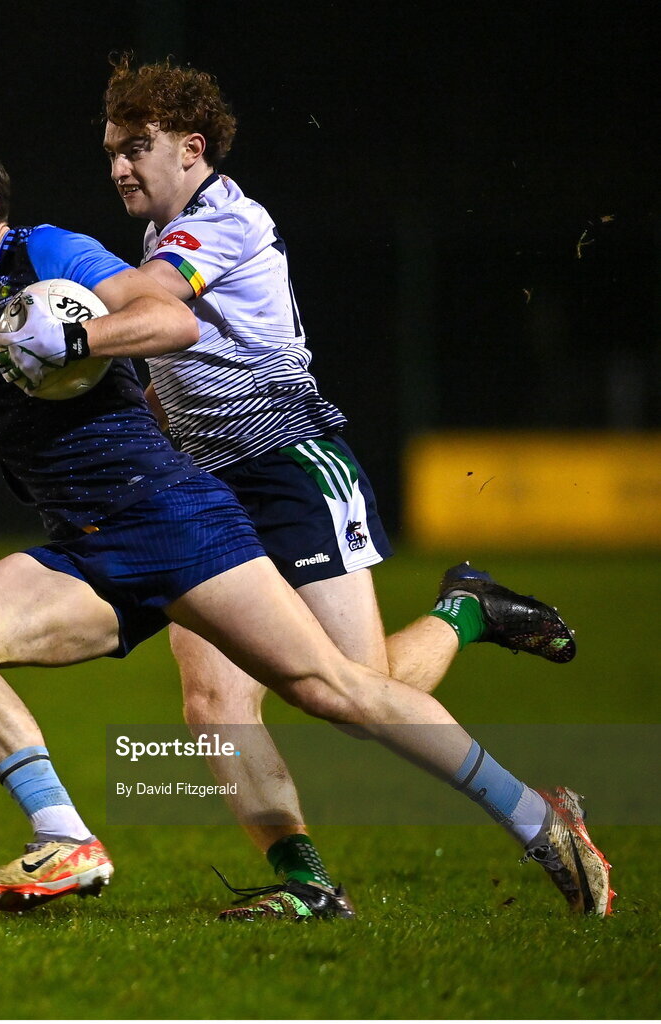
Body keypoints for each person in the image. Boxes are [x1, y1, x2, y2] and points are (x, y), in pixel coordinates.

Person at [0, 126, 613, 920]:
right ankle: (69, 840)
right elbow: (5, 396)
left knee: (338, 692)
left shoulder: (53, 254)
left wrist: (78, 334)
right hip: (85, 545)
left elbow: (173, 324)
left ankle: (541, 822)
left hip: (171, 518)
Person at [100, 56, 585, 920]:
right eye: (111, 152)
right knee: (214, 697)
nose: (119, 167)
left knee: (355, 694)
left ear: (191, 146)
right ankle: (308, 884)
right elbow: (178, 366)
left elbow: (157, 297)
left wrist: (46, 322)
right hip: (208, 488)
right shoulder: (159, 237)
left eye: (136, 148)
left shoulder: (225, 219)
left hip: (287, 467)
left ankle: (465, 613)